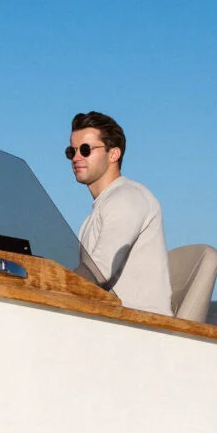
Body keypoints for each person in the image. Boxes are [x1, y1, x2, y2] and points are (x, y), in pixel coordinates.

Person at [68, 110, 170, 315]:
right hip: (108, 319)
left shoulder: (128, 197)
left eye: (85, 150)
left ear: (114, 154)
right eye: (72, 151)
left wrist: (52, 285)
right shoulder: (93, 216)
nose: (76, 158)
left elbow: (99, 269)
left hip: (139, 324)